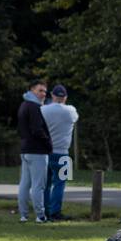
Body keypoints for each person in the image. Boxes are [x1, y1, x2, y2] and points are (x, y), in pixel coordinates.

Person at [17, 79, 52, 223]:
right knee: (39, 185)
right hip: (37, 150)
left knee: (24, 184)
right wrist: (48, 142)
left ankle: (24, 215)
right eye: (40, 90)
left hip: (25, 149)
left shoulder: (24, 105)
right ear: (32, 90)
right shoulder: (34, 107)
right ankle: (40, 215)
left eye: (44, 91)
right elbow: (37, 129)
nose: (43, 94)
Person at [41, 84, 79, 221]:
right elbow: (75, 119)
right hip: (63, 153)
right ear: (65, 97)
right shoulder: (71, 110)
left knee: (45, 184)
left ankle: (44, 211)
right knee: (60, 184)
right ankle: (55, 211)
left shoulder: (43, 110)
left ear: (52, 95)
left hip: (45, 152)